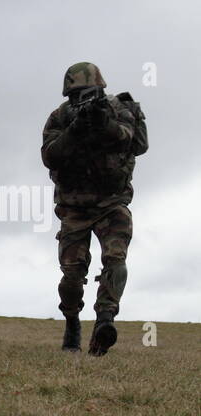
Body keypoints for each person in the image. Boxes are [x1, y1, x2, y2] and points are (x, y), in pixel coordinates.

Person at [41, 62, 148, 356]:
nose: (82, 101)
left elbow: (134, 143)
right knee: (72, 275)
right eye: (75, 96)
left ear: (101, 89)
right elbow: (50, 156)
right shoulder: (60, 118)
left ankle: (105, 321)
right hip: (74, 207)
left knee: (116, 259)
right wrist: (74, 130)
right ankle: (72, 321)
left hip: (112, 202)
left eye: (88, 94)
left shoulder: (118, 109)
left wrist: (105, 124)